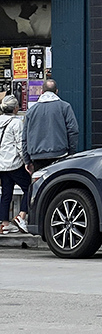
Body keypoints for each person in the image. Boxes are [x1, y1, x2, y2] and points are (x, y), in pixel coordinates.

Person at [0, 96, 31, 234]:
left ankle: (5, 224)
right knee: (30, 187)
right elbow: (20, 145)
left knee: (6, 193)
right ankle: (21, 216)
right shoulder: (16, 123)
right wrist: (27, 162)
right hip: (14, 163)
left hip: (1, 164)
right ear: (16, 108)